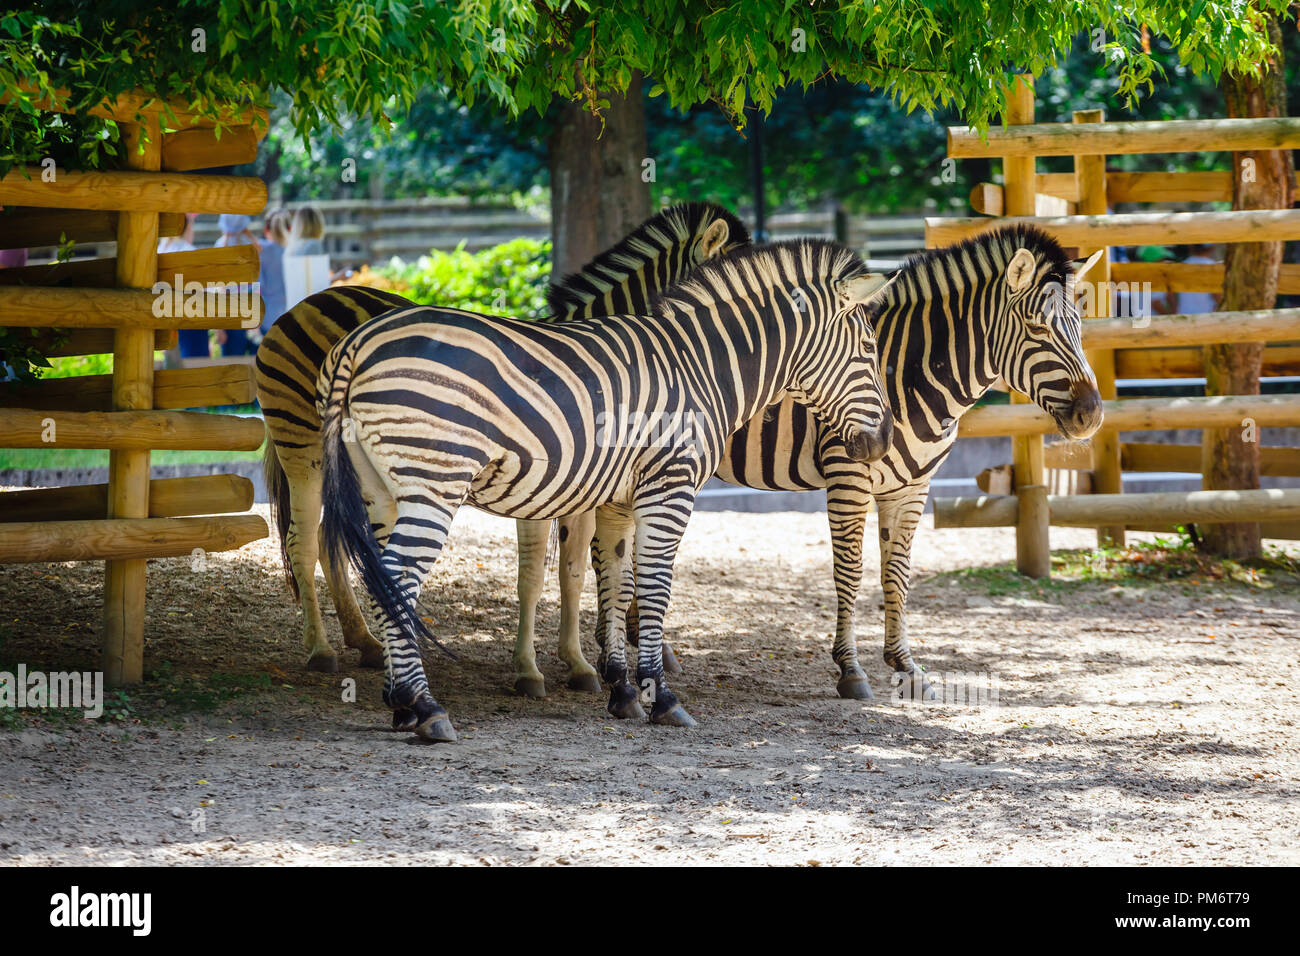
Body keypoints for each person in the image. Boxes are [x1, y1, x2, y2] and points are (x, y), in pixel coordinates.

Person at [212, 214, 257, 357]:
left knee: (231, 364)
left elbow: (218, 286)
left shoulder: (220, 244)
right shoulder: (250, 244)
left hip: (229, 313)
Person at [257, 208, 290, 336]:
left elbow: (258, 286)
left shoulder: (260, 250)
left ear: (266, 229)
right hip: (292, 316)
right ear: (290, 228)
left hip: (267, 318)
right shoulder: (295, 251)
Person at [1178, 243, 1221, 315]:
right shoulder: (1213, 267)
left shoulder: (1181, 266)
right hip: (1206, 315)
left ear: (1191, 247)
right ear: (1212, 248)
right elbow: (1217, 296)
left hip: (1184, 314)